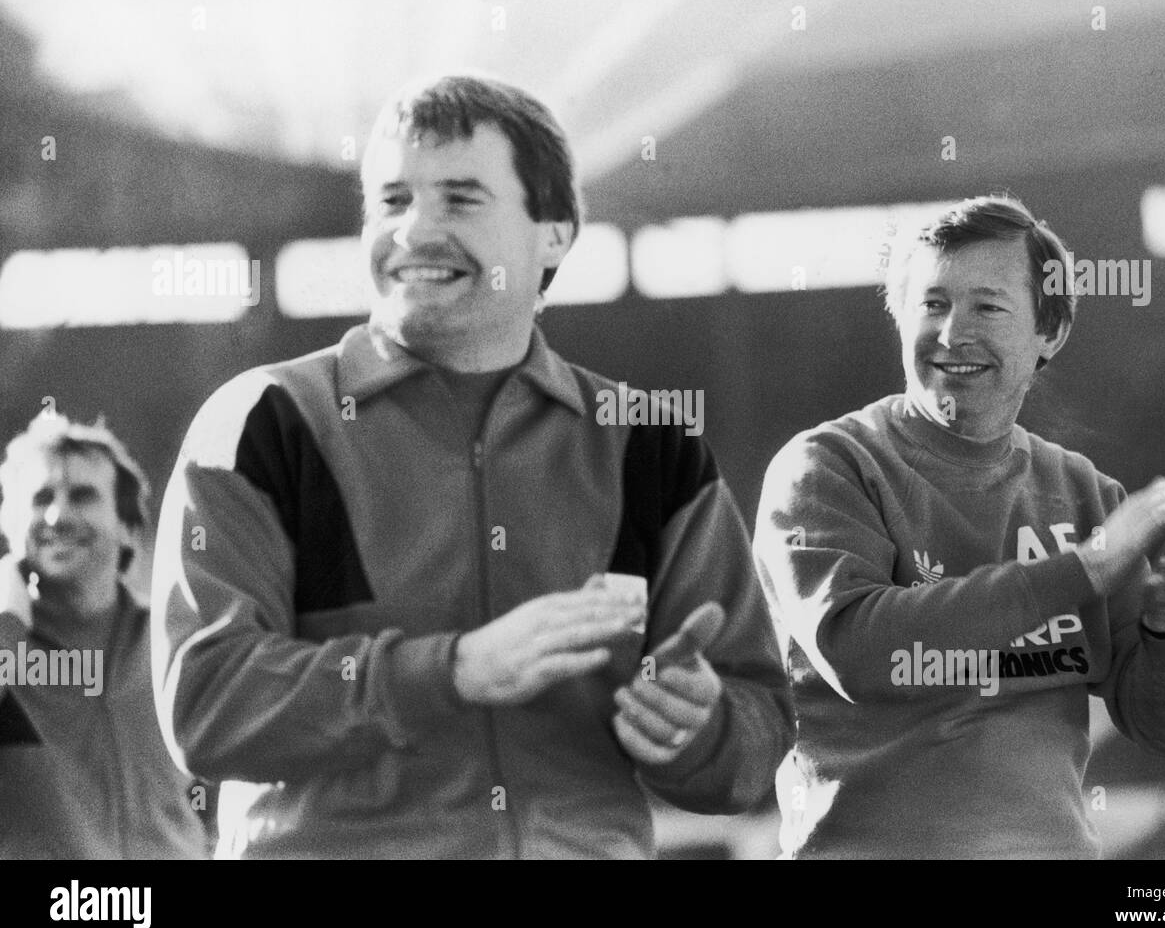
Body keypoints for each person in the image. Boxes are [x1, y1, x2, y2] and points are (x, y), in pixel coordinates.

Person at [151, 74, 792, 859]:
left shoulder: (651, 442)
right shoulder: (263, 422)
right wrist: (452, 671)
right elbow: (207, 703)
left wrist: (701, 728)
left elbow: (757, 736)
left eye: (460, 198)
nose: (415, 230)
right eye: (391, 200)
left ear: (553, 233)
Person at [752, 195, 1165, 859]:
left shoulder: (1085, 494)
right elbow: (861, 652)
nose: (953, 333)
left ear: (1050, 332)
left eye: (988, 306)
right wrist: (1085, 568)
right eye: (933, 304)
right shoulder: (827, 468)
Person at [0, 414, 208, 858]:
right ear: (11, 528)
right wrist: (6, 616)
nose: (57, 515)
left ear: (129, 528)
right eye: (39, 499)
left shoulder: (176, 639)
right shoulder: (7, 649)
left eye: (83, 496)